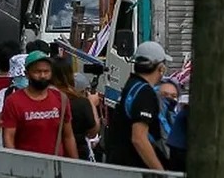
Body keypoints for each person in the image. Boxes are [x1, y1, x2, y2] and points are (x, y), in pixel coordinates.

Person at [103, 40, 169, 170]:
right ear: (161, 68)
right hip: (134, 168)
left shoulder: (131, 86)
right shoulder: (145, 93)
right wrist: (161, 172)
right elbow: (139, 139)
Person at [0, 51, 78, 157]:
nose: (42, 76)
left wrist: (75, 164)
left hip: (54, 166)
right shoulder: (13, 101)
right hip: (25, 165)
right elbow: (8, 137)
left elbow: (68, 136)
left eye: (46, 71)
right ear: (27, 74)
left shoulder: (61, 99)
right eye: (37, 72)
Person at [53, 56, 99, 160]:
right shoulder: (80, 103)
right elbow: (93, 131)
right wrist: (91, 103)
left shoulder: (41, 98)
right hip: (76, 153)